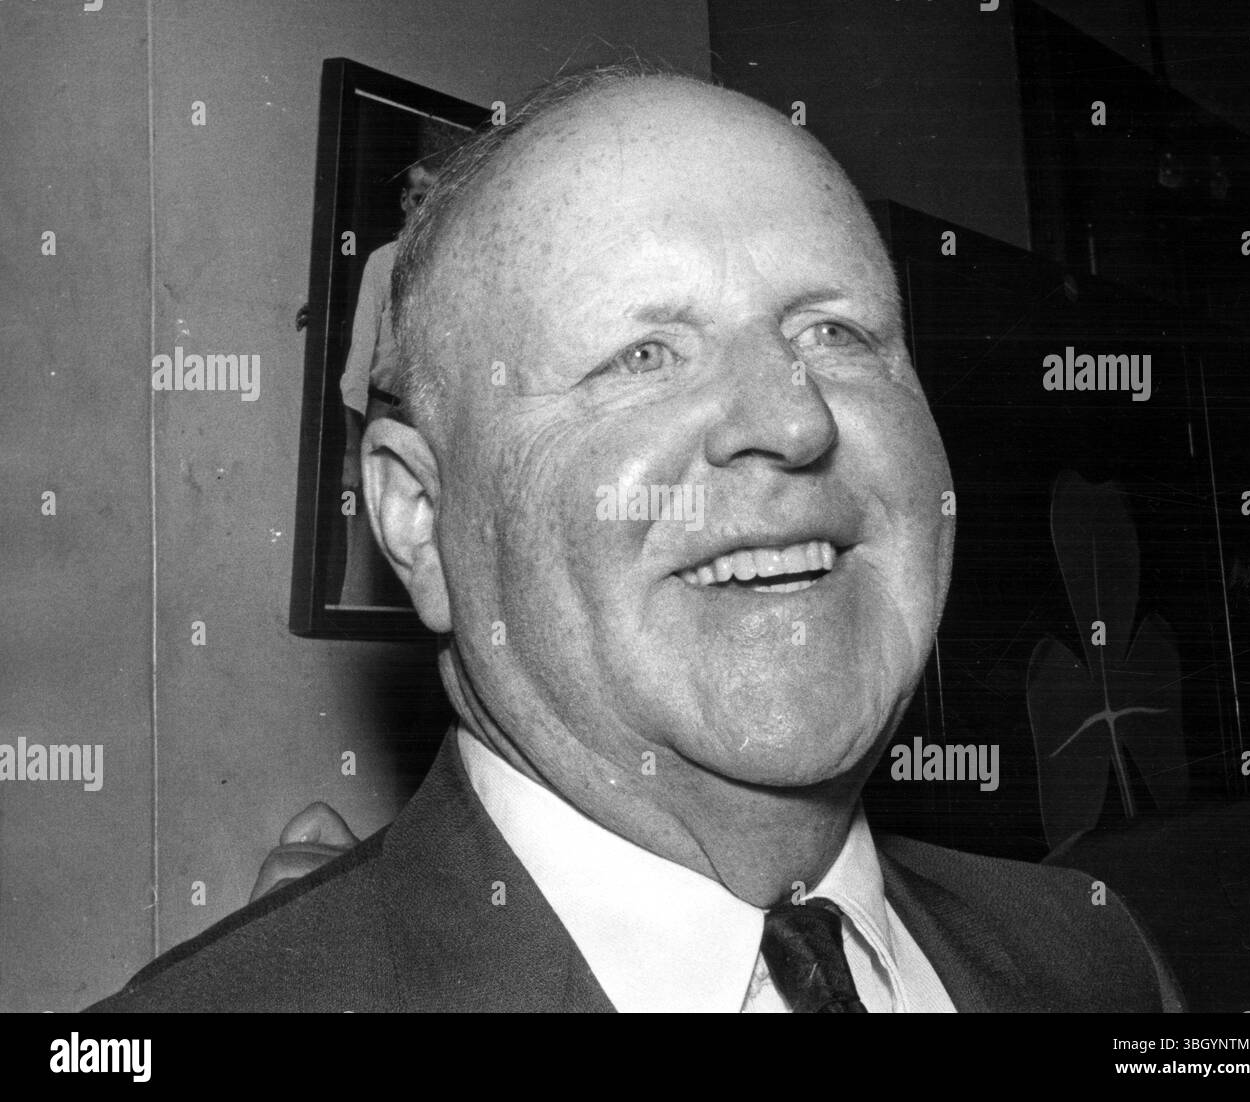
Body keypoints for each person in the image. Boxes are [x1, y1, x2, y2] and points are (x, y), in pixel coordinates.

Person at [88, 65, 1183, 1013]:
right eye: (644, 355)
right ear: (419, 521)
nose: (792, 420)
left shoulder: (1092, 954)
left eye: (836, 332)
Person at [335, 159, 436, 605]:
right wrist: (351, 455)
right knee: (369, 535)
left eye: (436, 201)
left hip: (424, 420)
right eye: (419, 199)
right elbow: (356, 368)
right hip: (379, 413)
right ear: (404, 203)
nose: (426, 209)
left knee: (419, 537)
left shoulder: (446, 272)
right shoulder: (380, 263)